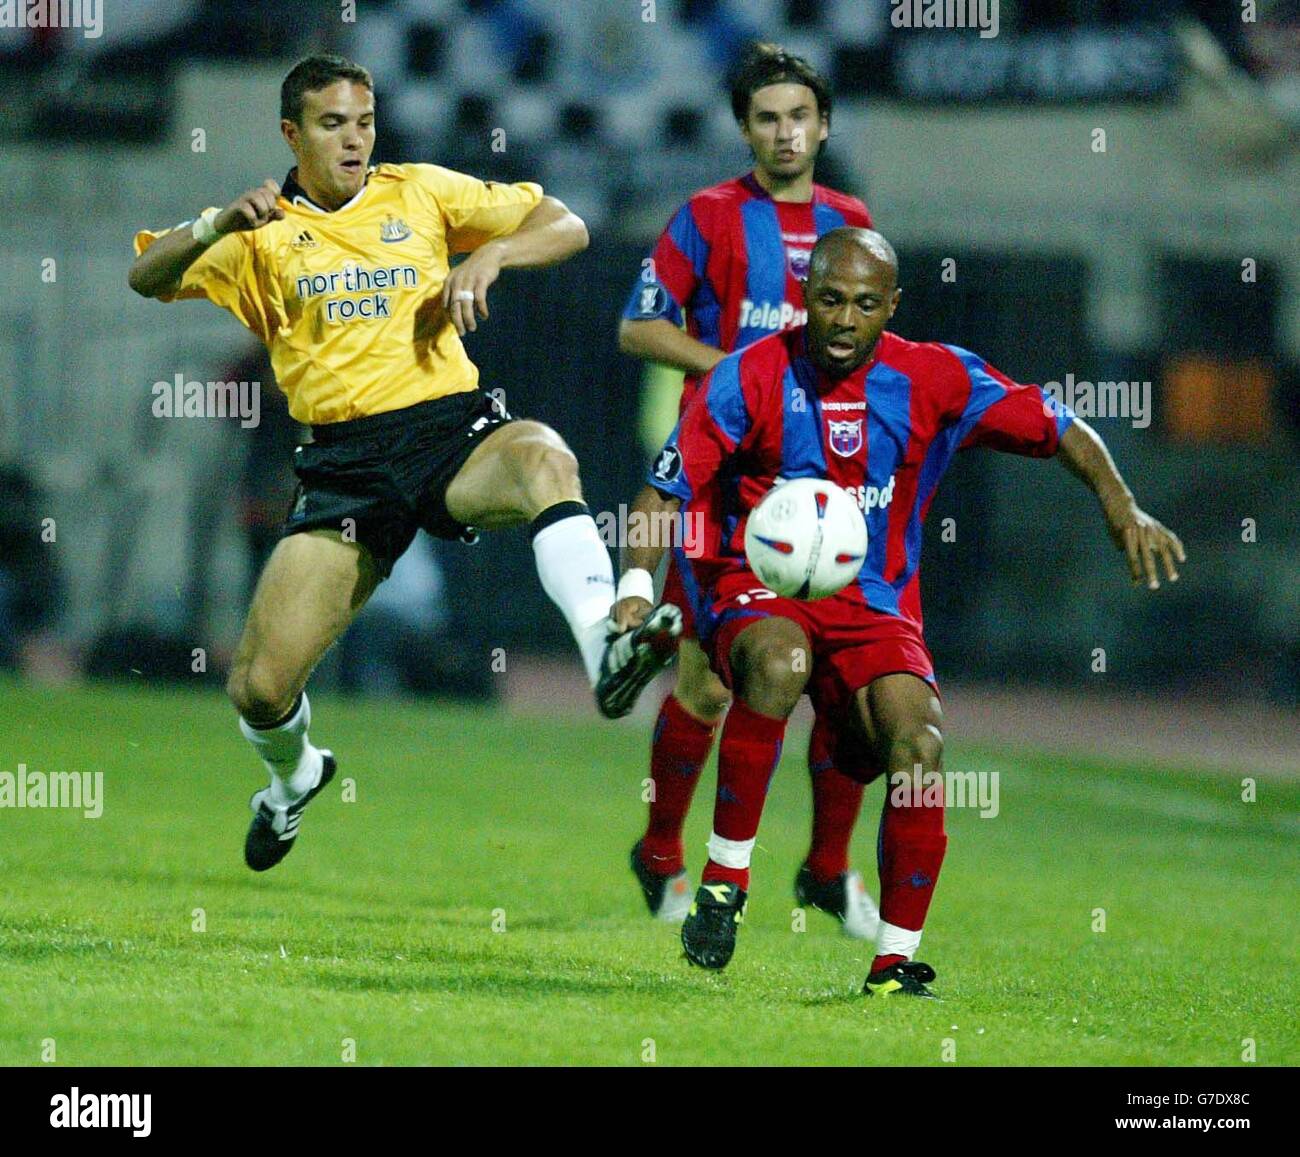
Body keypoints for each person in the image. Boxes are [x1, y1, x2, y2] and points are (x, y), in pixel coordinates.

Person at [128, 54, 679, 873]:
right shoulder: (258, 231)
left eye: (363, 121)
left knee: (542, 458)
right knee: (259, 689)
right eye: (331, 124)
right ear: (292, 133)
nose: (353, 140)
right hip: (343, 471)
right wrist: (213, 227)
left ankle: (607, 649)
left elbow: (566, 222)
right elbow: (145, 275)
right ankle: (295, 780)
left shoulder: (417, 190)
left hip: (446, 433)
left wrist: (492, 257)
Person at [605, 227, 1186, 996]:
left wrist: (1122, 505)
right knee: (779, 664)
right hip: (754, 584)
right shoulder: (751, 375)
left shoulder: (933, 376)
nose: (845, 319)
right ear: (806, 297)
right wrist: (635, 588)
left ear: (893, 307)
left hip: (875, 608)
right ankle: (723, 883)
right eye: (831, 299)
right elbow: (665, 489)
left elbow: (1057, 424)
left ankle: (893, 961)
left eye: (866, 304)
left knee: (918, 744)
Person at [615, 42, 879, 935]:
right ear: (745, 129)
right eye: (767, 118)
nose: (785, 132)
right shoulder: (708, 217)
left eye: (799, 116)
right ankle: (660, 849)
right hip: (722, 490)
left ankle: (829, 867)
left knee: (842, 686)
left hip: (825, 495)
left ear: (824, 125)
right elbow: (639, 327)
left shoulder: (851, 221)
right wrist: (736, 369)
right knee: (708, 686)